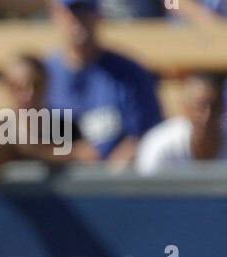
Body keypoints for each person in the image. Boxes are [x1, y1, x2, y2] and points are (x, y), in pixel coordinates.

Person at [44, 0, 162, 166]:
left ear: (98, 14)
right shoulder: (42, 76)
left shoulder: (129, 74)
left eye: (86, 11)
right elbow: (27, 138)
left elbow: (147, 133)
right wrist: (71, 155)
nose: (79, 20)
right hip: (54, 183)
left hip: (114, 183)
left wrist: (118, 163)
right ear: (55, 15)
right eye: (72, 12)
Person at [136, 72, 227, 173]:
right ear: (186, 108)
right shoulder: (160, 145)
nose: (207, 116)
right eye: (199, 107)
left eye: (215, 107)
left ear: (223, 108)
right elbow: (147, 187)